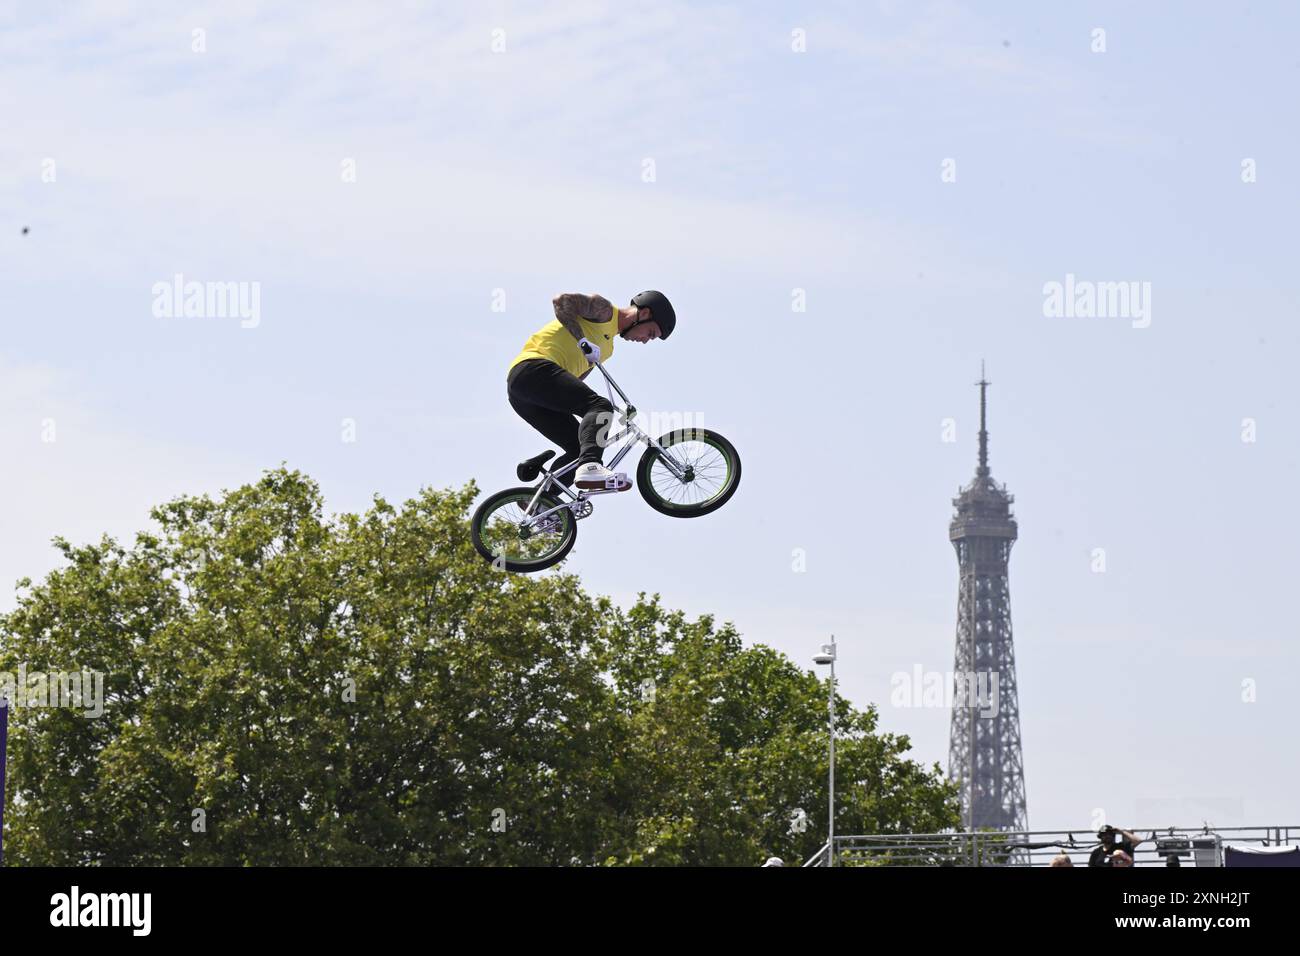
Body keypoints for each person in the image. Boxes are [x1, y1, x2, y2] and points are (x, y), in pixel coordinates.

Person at [507, 291, 675, 490]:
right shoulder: (604, 311)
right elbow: (561, 301)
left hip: (527, 396)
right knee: (599, 406)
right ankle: (590, 467)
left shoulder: (608, 348)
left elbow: (573, 383)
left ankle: (540, 500)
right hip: (531, 369)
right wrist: (582, 340)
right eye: (650, 333)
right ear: (645, 314)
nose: (646, 341)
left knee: (580, 448)